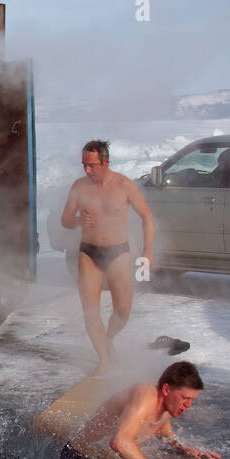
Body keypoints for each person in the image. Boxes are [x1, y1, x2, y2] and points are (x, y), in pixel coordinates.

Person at [60, 140, 155, 376]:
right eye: (84, 165)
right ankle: (103, 359)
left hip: (118, 253)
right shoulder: (79, 187)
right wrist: (78, 221)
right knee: (90, 310)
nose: (87, 170)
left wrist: (147, 253)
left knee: (122, 310)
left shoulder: (123, 185)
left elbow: (147, 218)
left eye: (92, 165)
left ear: (105, 162)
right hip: (89, 253)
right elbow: (65, 220)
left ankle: (109, 337)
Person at [54, 361, 221, 459]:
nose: (188, 405)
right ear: (166, 390)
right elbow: (119, 442)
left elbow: (160, 425)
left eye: (192, 400)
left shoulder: (164, 405)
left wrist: (183, 445)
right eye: (185, 398)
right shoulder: (146, 395)